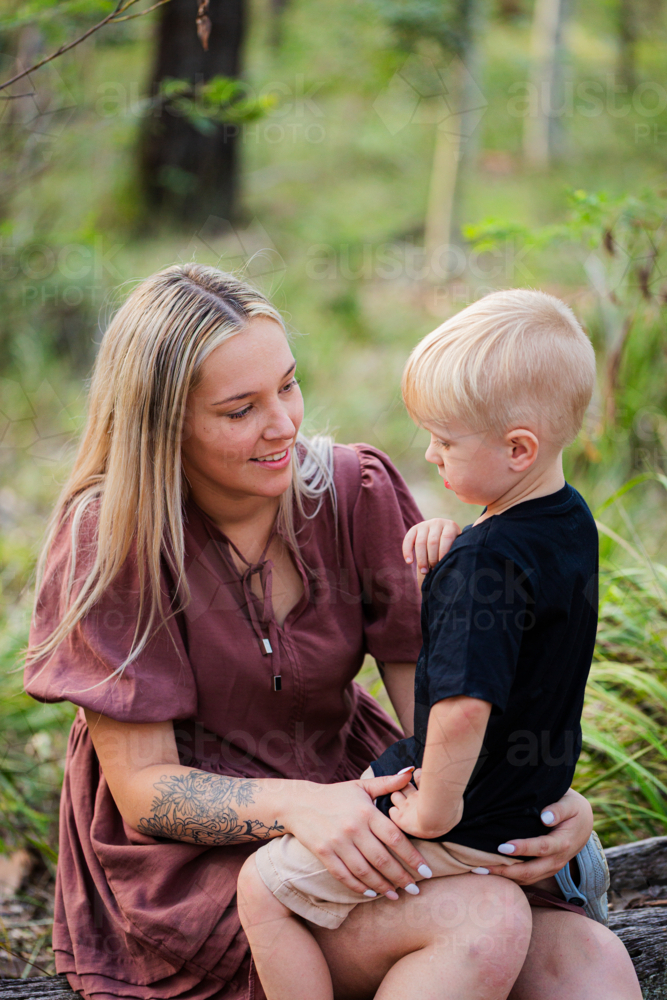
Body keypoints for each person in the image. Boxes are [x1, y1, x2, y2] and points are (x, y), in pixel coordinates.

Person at [24, 266, 639, 1000]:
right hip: (199, 868)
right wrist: (299, 806)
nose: (283, 424)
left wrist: (543, 799)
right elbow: (147, 794)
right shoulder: (114, 534)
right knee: (484, 922)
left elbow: (448, 709)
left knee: (589, 963)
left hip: (368, 809)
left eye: (286, 385)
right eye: (239, 409)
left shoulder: (355, 492)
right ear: (163, 426)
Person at [238, 289, 642, 1000]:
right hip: (530, 801)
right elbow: (525, 611)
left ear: (517, 447)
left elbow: (459, 707)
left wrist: (430, 811)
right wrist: (456, 544)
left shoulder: (481, 565)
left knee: (263, 889)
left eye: (444, 441)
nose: (427, 454)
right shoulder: (568, 520)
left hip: (459, 813)